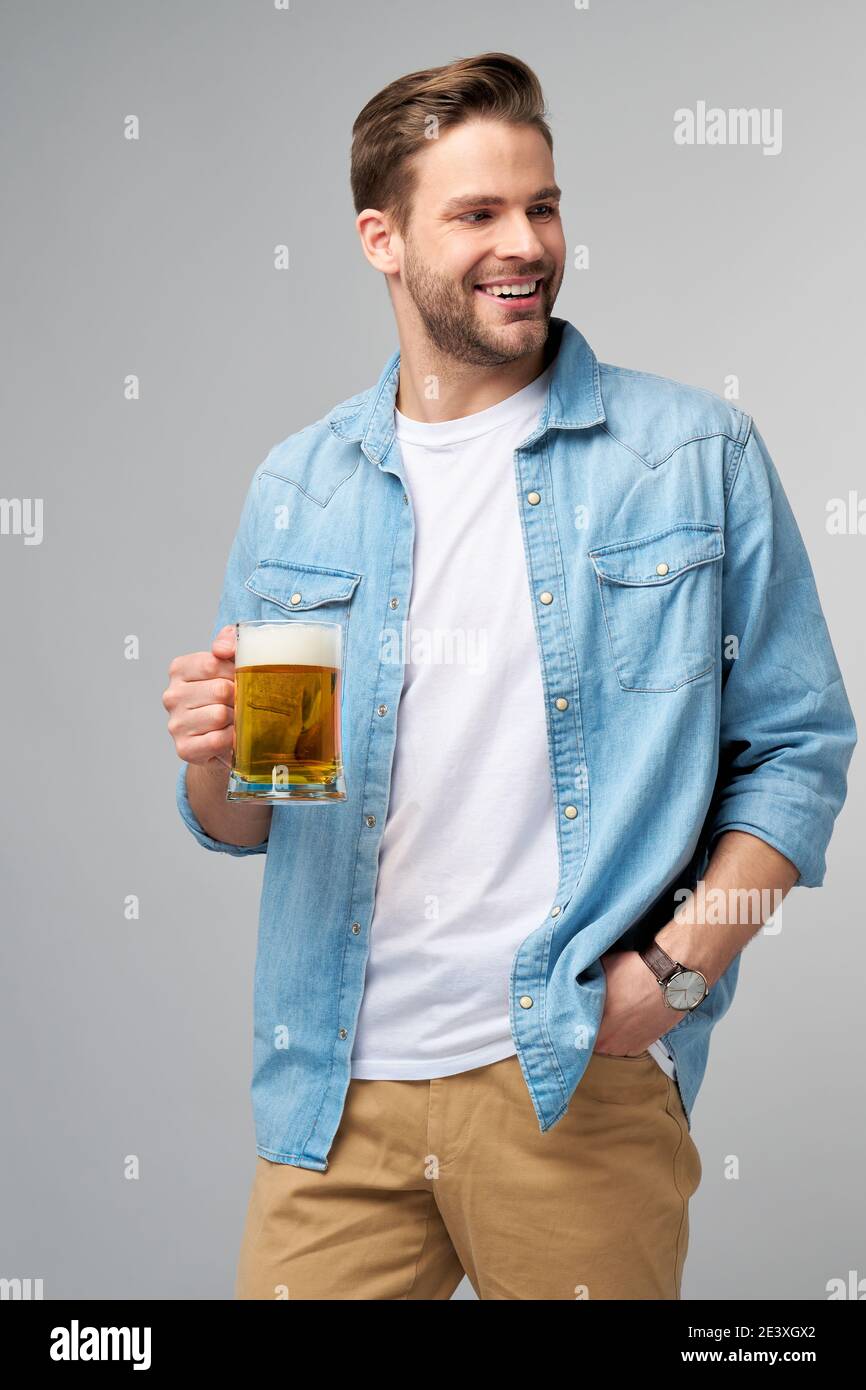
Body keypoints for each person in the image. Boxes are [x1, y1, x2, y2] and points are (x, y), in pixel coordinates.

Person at [162, 53, 856, 1300]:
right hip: (335, 1091)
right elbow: (254, 814)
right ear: (380, 238)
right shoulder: (300, 492)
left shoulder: (691, 455)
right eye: (476, 214)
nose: (524, 242)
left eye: (539, 206)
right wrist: (217, 759)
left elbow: (799, 753)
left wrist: (676, 975)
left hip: (567, 1076)